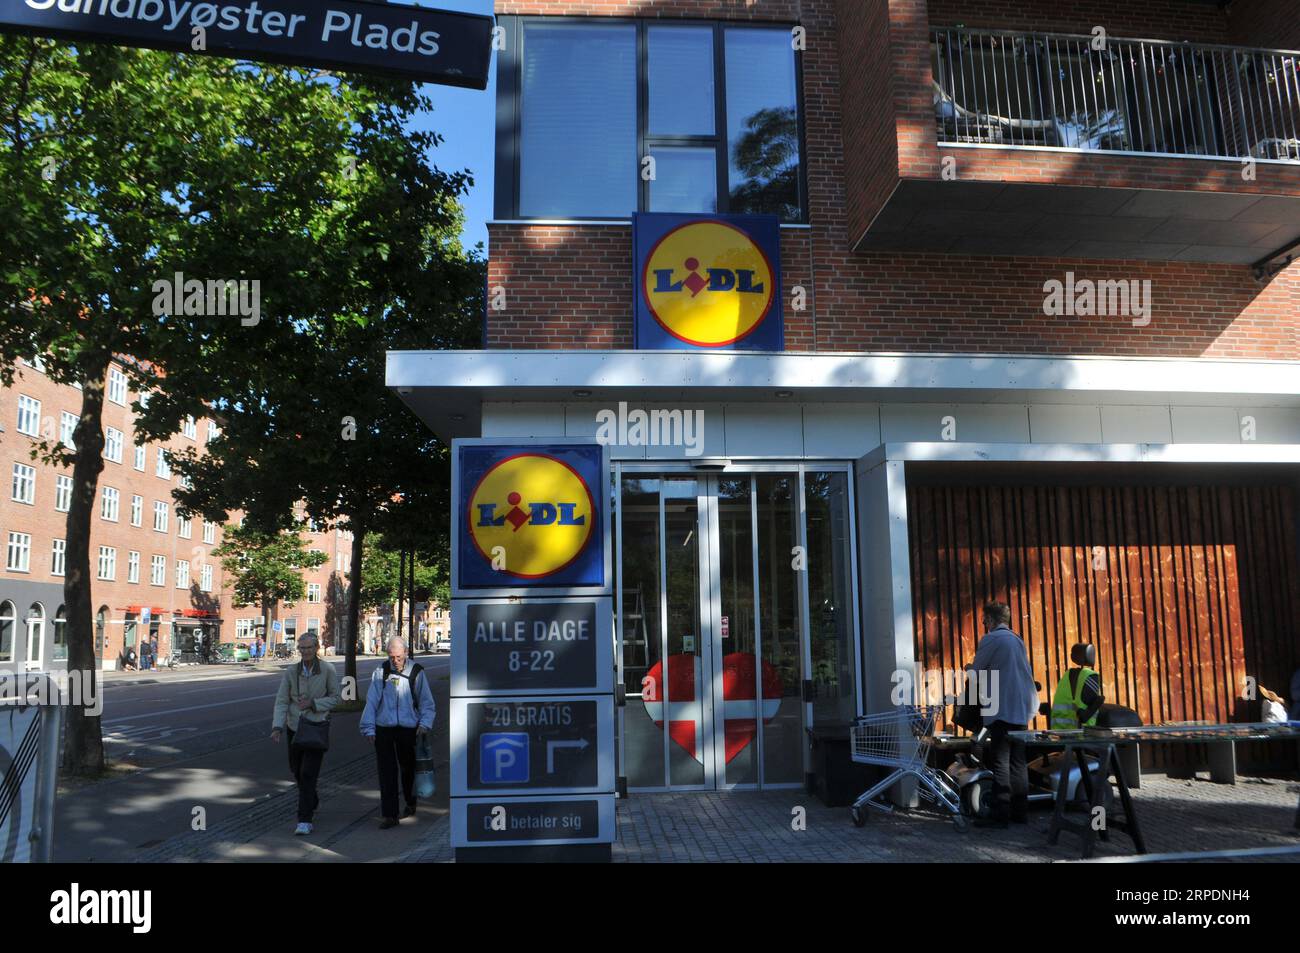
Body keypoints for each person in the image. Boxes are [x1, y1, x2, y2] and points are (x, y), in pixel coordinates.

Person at [967, 601, 1039, 828]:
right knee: (1018, 762)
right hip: (1022, 709)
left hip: (1001, 709)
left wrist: (968, 668)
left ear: (990, 619)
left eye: (984, 619)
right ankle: (1020, 812)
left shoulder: (992, 639)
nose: (984, 623)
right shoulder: (1018, 640)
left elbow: (976, 673)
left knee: (1000, 761)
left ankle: (1000, 815)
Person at [360, 636, 435, 829]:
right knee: (386, 771)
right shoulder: (381, 671)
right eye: (391, 657)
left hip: (409, 728)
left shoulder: (417, 672)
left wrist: (425, 724)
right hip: (384, 727)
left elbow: (426, 702)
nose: (395, 661)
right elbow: (372, 701)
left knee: (408, 768)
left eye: (399, 657)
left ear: (406, 653)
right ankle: (390, 815)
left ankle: (410, 800)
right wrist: (368, 727)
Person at [270, 632, 341, 836]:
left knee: (308, 773)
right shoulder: (291, 671)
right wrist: (277, 727)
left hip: (316, 727)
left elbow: (336, 698)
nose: (306, 651)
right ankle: (313, 799)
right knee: (296, 770)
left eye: (309, 648)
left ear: (316, 648)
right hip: (295, 727)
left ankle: (304, 819)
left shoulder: (327, 669)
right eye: (302, 648)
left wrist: (314, 704)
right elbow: (282, 700)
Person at [1050, 643, 1103, 730]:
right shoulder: (1090, 676)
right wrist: (1099, 701)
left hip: (1058, 732)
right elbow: (1085, 716)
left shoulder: (1066, 675)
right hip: (1082, 734)